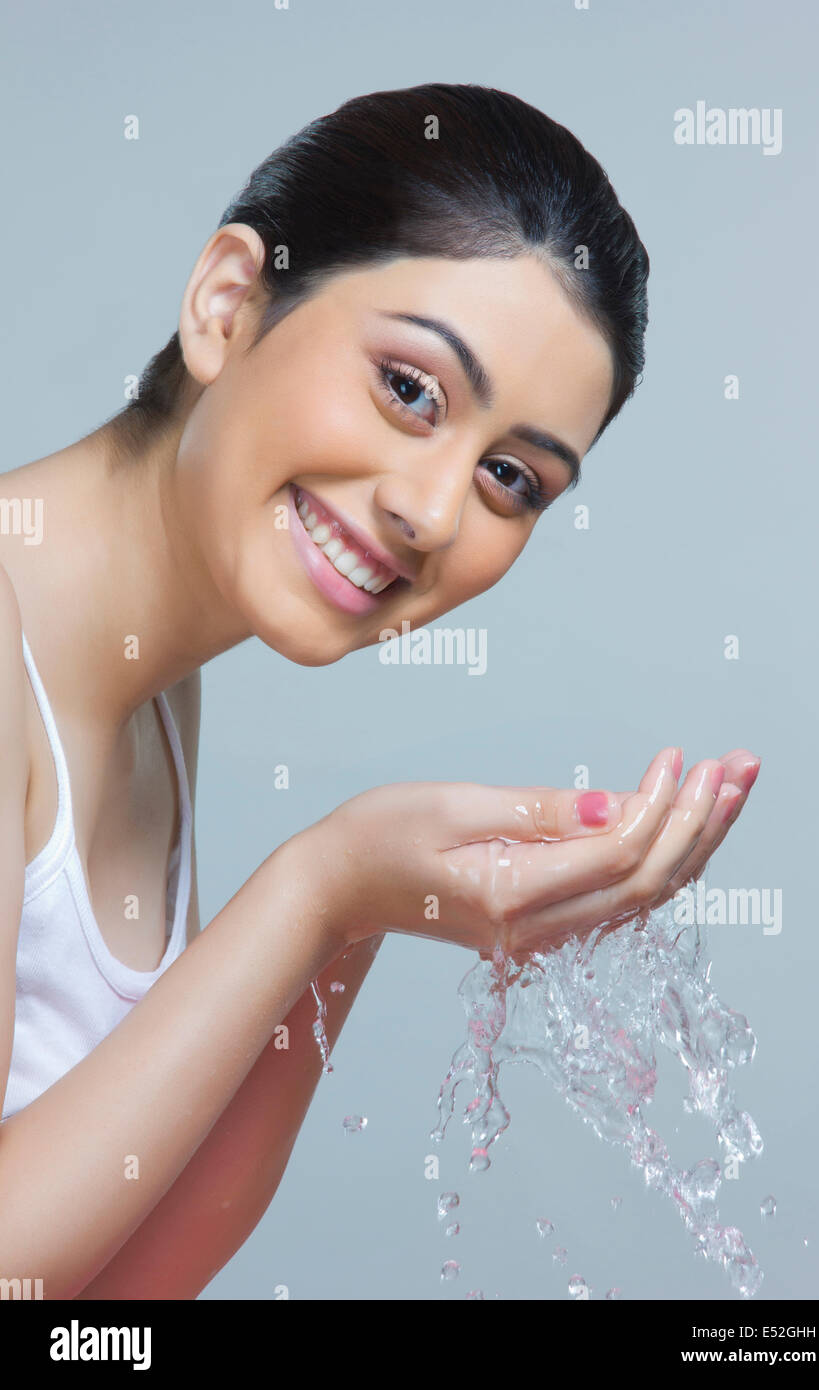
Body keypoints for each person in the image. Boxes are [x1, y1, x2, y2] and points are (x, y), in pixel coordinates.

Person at [0, 83, 759, 1299]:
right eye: (410, 387)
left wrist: (363, 915)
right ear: (228, 305)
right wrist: (316, 885)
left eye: (510, 476)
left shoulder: (154, 692)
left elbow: (127, 1291)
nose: (431, 509)